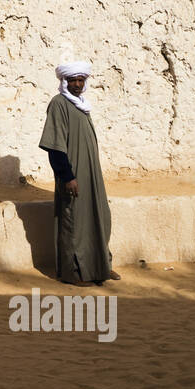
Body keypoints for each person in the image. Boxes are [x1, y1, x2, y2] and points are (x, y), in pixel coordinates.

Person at [38, 60, 119, 286]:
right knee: (73, 222)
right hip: (73, 177)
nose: (76, 84)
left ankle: (101, 265)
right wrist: (67, 176)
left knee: (100, 217)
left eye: (80, 80)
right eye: (72, 80)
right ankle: (73, 273)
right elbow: (55, 146)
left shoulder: (82, 105)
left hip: (92, 176)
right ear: (64, 81)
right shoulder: (58, 104)